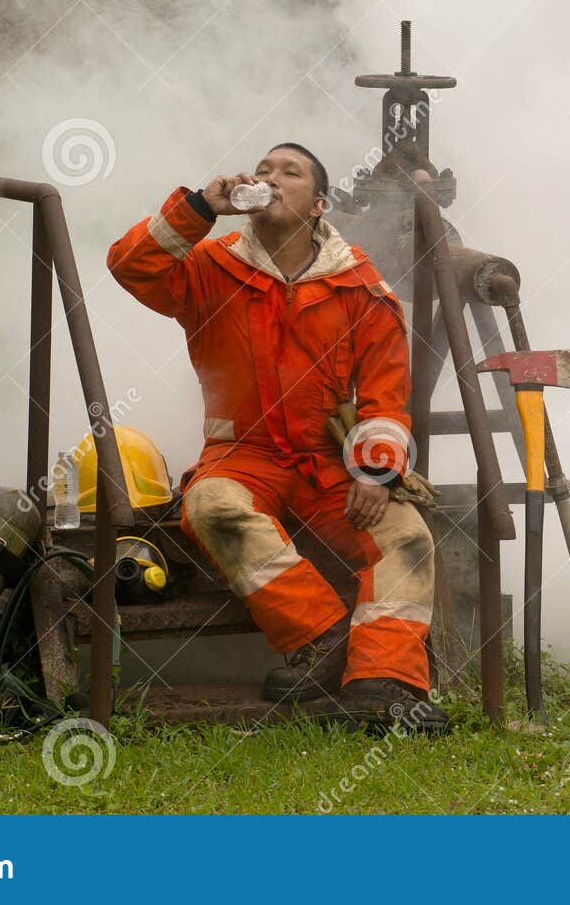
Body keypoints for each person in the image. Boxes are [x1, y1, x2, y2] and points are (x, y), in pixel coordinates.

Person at [106, 143, 438, 724]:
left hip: (328, 461)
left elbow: (387, 398)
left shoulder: (360, 287)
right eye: (263, 170)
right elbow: (129, 265)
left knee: (405, 534)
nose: (270, 178)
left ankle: (382, 680)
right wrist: (198, 206)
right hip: (242, 455)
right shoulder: (212, 266)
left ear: (319, 204)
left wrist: (378, 470)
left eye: (290, 172)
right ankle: (321, 638)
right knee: (212, 503)